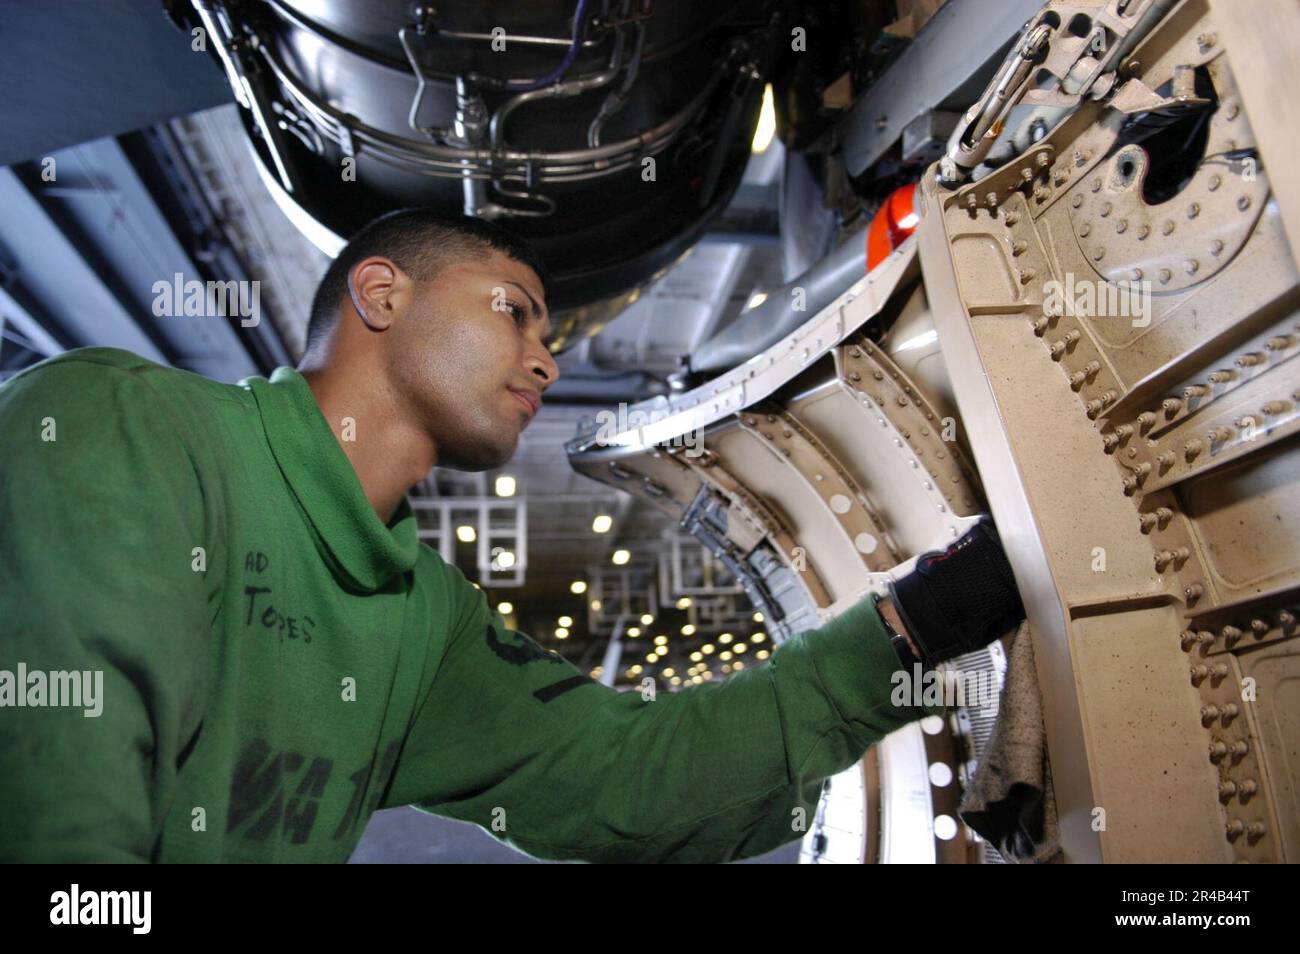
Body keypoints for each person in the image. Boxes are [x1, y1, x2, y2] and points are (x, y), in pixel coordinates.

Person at [0, 209, 1024, 862]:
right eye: (517, 313)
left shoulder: (419, 617)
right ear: (381, 292)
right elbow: (61, 828)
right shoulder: (121, 423)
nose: (544, 362)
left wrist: (910, 626)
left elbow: (627, 780)